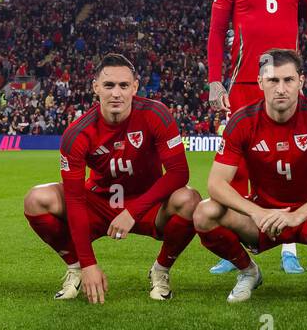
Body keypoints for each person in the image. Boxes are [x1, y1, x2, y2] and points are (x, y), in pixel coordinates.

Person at [23, 53, 199, 302]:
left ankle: (160, 270)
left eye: (124, 85)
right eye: (109, 85)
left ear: (135, 87)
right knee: (35, 198)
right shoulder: (77, 133)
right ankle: (74, 268)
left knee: (190, 199)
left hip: (148, 205)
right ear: (95, 87)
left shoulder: (156, 114)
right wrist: (87, 263)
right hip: (99, 203)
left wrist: (133, 212)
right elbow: (73, 199)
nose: (116, 93)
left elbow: (179, 173)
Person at [194, 50, 307, 303]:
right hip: (262, 217)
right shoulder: (242, 121)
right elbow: (216, 184)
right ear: (260, 83)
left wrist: (298, 215)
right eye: (272, 80)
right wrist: (255, 212)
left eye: (288, 80)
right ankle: (248, 272)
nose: (281, 88)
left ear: (300, 81)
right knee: (204, 212)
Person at [206, 0, 307, 275]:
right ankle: (233, 247)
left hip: (284, 83)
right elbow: (217, 30)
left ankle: (291, 247)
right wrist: (214, 79)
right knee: (235, 167)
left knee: (290, 163)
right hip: (244, 82)